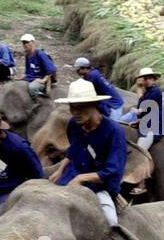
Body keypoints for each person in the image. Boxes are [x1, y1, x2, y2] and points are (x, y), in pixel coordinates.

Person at [49, 79, 127, 226]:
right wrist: (60, 170)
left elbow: (113, 171)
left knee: (110, 222)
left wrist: (81, 179)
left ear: (94, 105)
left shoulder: (114, 132)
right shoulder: (74, 124)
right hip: (72, 176)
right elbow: (74, 149)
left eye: (81, 107)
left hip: (99, 187)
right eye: (72, 107)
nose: (75, 113)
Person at [119, 67, 164, 152]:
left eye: (150, 78)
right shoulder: (147, 91)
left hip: (153, 125)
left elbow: (142, 110)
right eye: (145, 78)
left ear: (154, 79)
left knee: (140, 150)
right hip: (145, 119)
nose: (147, 80)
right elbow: (141, 104)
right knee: (119, 122)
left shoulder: (156, 91)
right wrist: (139, 87)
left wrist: (138, 119)